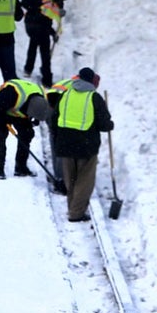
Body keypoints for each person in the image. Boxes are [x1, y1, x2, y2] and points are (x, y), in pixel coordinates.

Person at [50, 67, 113, 222]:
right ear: (92, 81)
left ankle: (72, 208)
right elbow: (104, 125)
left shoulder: (66, 94)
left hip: (65, 144)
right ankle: (76, 213)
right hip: (86, 146)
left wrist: (59, 139)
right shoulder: (94, 98)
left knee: (70, 179)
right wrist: (110, 124)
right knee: (84, 181)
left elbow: (54, 119)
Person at [0, 78, 52, 179]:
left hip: (19, 110)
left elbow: (40, 112)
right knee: (0, 134)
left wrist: (36, 120)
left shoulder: (42, 97)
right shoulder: (11, 94)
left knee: (27, 134)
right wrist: (2, 121)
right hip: (3, 108)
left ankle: (20, 167)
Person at [21, 0, 68, 87]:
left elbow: (46, 21)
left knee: (33, 45)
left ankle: (28, 69)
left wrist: (52, 32)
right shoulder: (47, 3)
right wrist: (52, 33)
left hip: (30, 23)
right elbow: (45, 22)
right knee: (44, 52)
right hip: (37, 24)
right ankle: (46, 79)